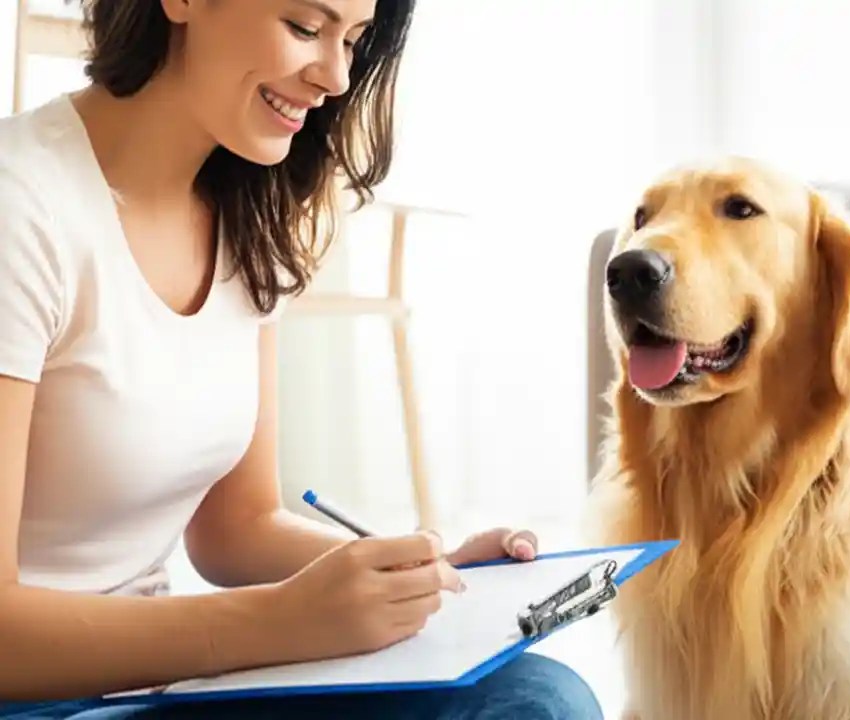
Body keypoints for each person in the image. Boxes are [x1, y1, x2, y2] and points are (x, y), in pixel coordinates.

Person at [0, 1, 603, 718]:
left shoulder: (245, 213)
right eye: (306, 28)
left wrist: (418, 574)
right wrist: (272, 623)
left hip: (156, 683)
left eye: (353, 40)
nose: (336, 77)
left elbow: (237, 527)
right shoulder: (22, 206)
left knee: (537, 700)